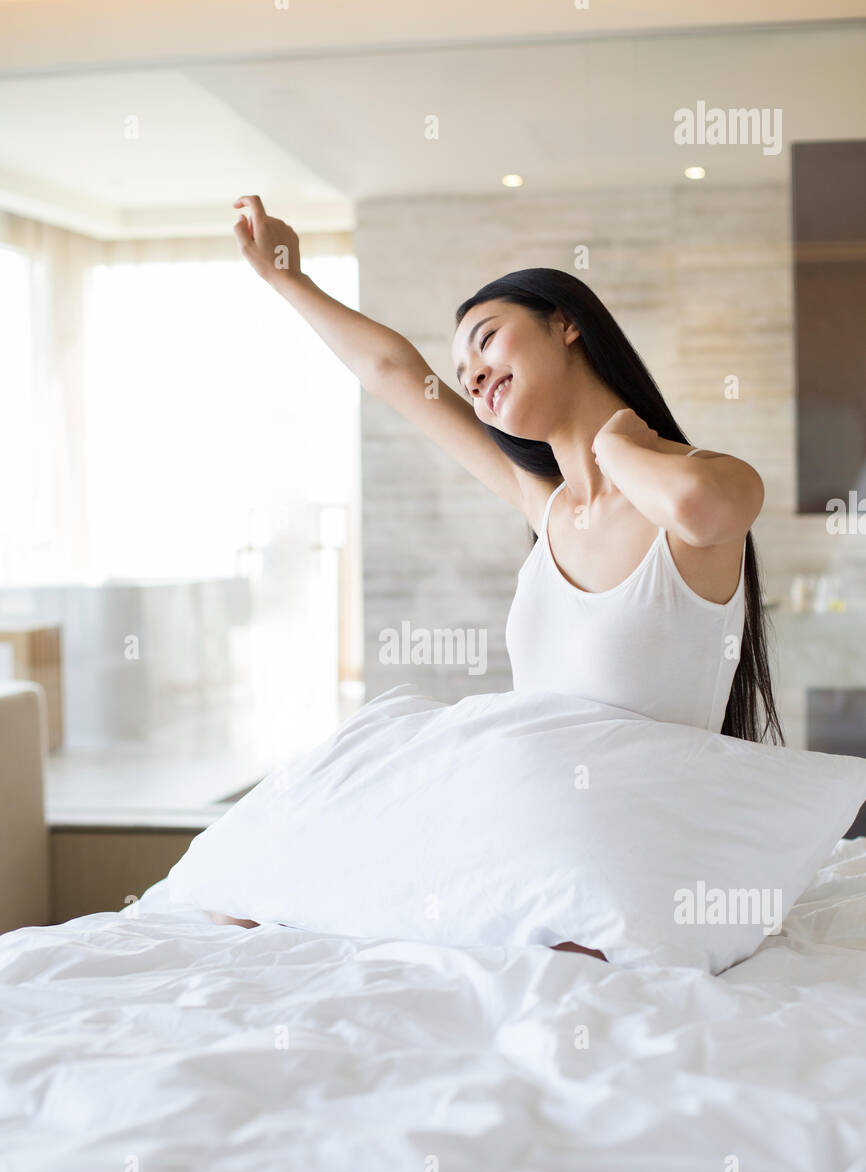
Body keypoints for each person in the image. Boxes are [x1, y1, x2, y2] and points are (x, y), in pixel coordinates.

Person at [223, 195, 785, 958]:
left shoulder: (709, 479)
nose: (474, 377)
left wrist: (619, 447)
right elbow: (395, 374)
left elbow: (700, 509)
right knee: (261, 886)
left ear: (566, 321)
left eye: (487, 342)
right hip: (524, 813)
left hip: (620, 838)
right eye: (464, 372)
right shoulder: (544, 507)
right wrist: (290, 280)